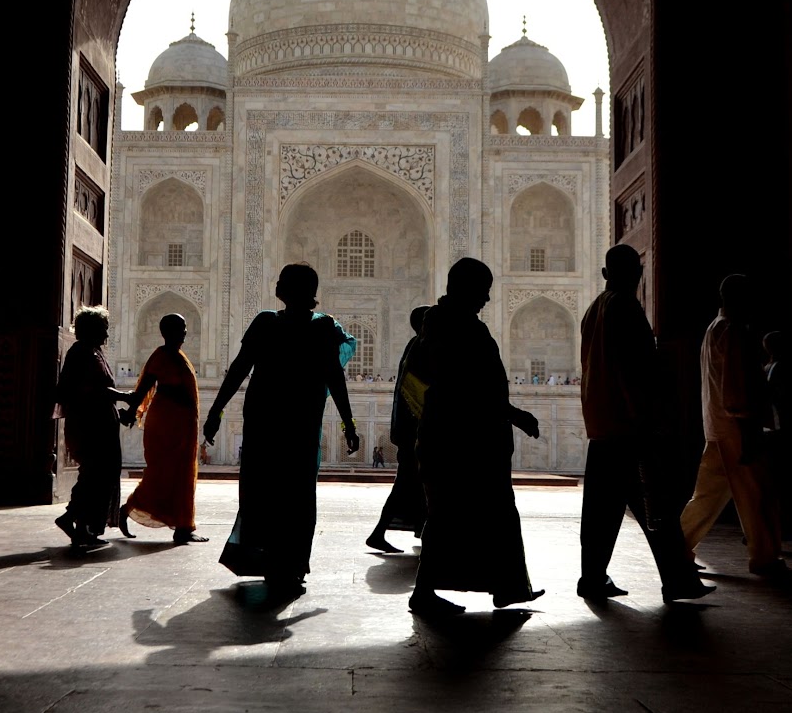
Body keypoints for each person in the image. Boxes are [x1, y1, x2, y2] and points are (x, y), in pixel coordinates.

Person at [203, 263, 359, 596]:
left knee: (268, 490)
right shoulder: (319, 327)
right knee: (295, 494)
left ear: (293, 290)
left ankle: (275, 559)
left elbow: (240, 369)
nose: (277, 285)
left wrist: (216, 410)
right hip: (296, 423)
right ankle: (289, 563)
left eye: (283, 281)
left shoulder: (271, 323)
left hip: (269, 421)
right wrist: (349, 423)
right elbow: (334, 377)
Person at [578, 246, 716, 603]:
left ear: (605, 274)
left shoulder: (594, 309)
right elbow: (635, 372)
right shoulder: (625, 307)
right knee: (659, 507)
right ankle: (678, 580)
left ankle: (593, 578)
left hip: (602, 425)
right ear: (637, 274)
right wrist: (650, 420)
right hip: (630, 426)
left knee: (601, 511)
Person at [408, 258, 545, 616]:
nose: (486, 299)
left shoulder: (441, 324)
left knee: (477, 515)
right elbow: (468, 388)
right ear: (465, 289)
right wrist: (514, 414)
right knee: (452, 516)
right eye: (482, 291)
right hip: (461, 440)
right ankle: (425, 592)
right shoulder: (457, 327)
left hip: (459, 436)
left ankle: (506, 586)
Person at [678, 275, 791, 577]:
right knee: (757, 495)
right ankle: (765, 558)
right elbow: (735, 384)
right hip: (737, 428)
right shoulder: (734, 331)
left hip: (718, 426)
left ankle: (675, 551)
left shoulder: (714, 328)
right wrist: (747, 426)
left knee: (707, 498)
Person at [54, 306, 141, 548]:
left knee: (97, 475)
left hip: (100, 423)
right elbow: (91, 389)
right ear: (91, 329)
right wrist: (124, 396)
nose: (106, 334)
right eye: (103, 329)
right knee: (95, 475)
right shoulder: (82, 352)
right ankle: (75, 521)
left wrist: (117, 411)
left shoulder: (93, 352)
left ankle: (82, 526)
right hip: (89, 425)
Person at [118, 313, 208, 545]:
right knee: (163, 473)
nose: (185, 332)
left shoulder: (178, 356)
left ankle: (183, 527)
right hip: (166, 423)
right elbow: (144, 388)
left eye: (185, 327)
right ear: (168, 332)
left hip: (182, 424)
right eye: (181, 327)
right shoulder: (161, 356)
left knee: (182, 474)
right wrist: (131, 410)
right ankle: (127, 508)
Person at [365, 305, 431, 554]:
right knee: (408, 483)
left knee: (415, 485)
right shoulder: (421, 347)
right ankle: (379, 533)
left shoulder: (416, 346)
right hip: (416, 431)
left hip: (411, 430)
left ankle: (422, 532)